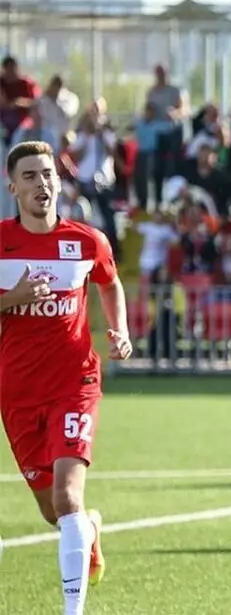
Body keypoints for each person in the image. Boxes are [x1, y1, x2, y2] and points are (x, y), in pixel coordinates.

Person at [0, 140, 133, 615]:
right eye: (31, 175)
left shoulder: (87, 240)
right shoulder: (1, 242)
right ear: (12, 187)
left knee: (67, 495)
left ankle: (72, 611)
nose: (43, 183)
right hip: (16, 393)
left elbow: (109, 283)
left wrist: (119, 329)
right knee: (52, 511)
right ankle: (89, 531)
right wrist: (12, 298)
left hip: (74, 384)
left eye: (49, 173)